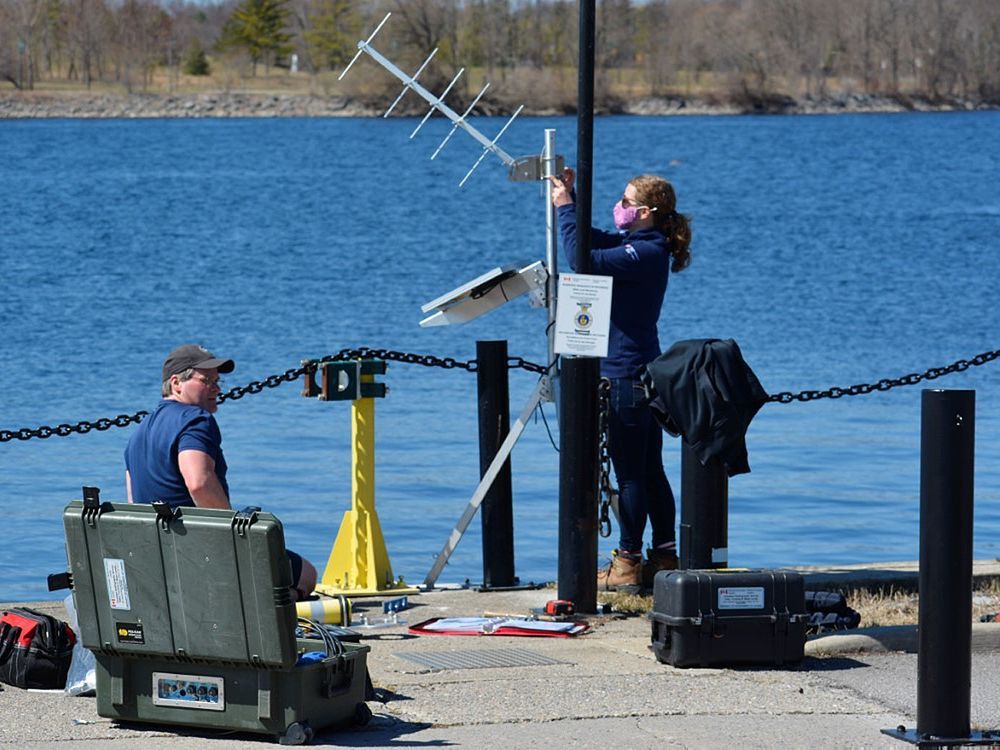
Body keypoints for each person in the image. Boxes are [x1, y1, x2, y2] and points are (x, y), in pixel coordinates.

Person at [549, 167, 692, 592]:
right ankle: (664, 557)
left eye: (627, 202)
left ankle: (629, 561)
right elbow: (594, 239)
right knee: (650, 472)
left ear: (645, 212)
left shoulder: (645, 253)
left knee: (634, 474)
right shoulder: (644, 244)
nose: (620, 207)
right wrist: (568, 199)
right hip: (641, 373)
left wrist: (564, 211)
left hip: (627, 376)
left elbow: (582, 258)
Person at [124, 343, 317, 601]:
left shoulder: (140, 431)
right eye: (207, 381)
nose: (216, 389)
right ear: (176, 383)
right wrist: (231, 533)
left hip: (156, 553)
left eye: (218, 381)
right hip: (196, 551)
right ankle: (254, 611)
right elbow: (199, 483)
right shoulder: (195, 420)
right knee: (306, 575)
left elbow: (133, 502)